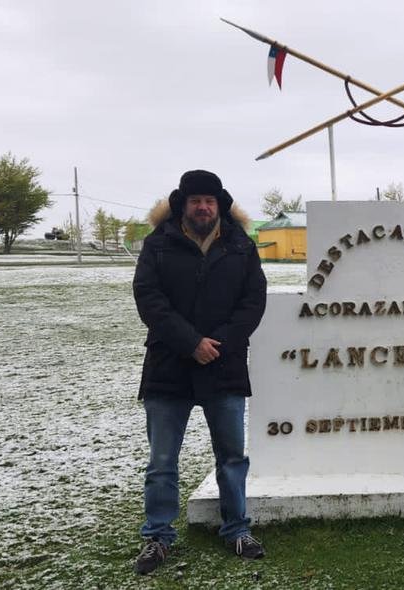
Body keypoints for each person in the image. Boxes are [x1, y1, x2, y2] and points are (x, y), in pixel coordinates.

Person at [131, 170, 268, 575]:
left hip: (223, 367)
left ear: (219, 205)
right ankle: (158, 536)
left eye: (209, 200)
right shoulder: (158, 244)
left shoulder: (241, 246)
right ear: (182, 205)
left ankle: (237, 529)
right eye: (195, 201)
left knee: (231, 458)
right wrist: (191, 342)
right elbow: (149, 299)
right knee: (161, 462)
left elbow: (252, 302)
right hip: (168, 367)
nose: (203, 207)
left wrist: (218, 343)